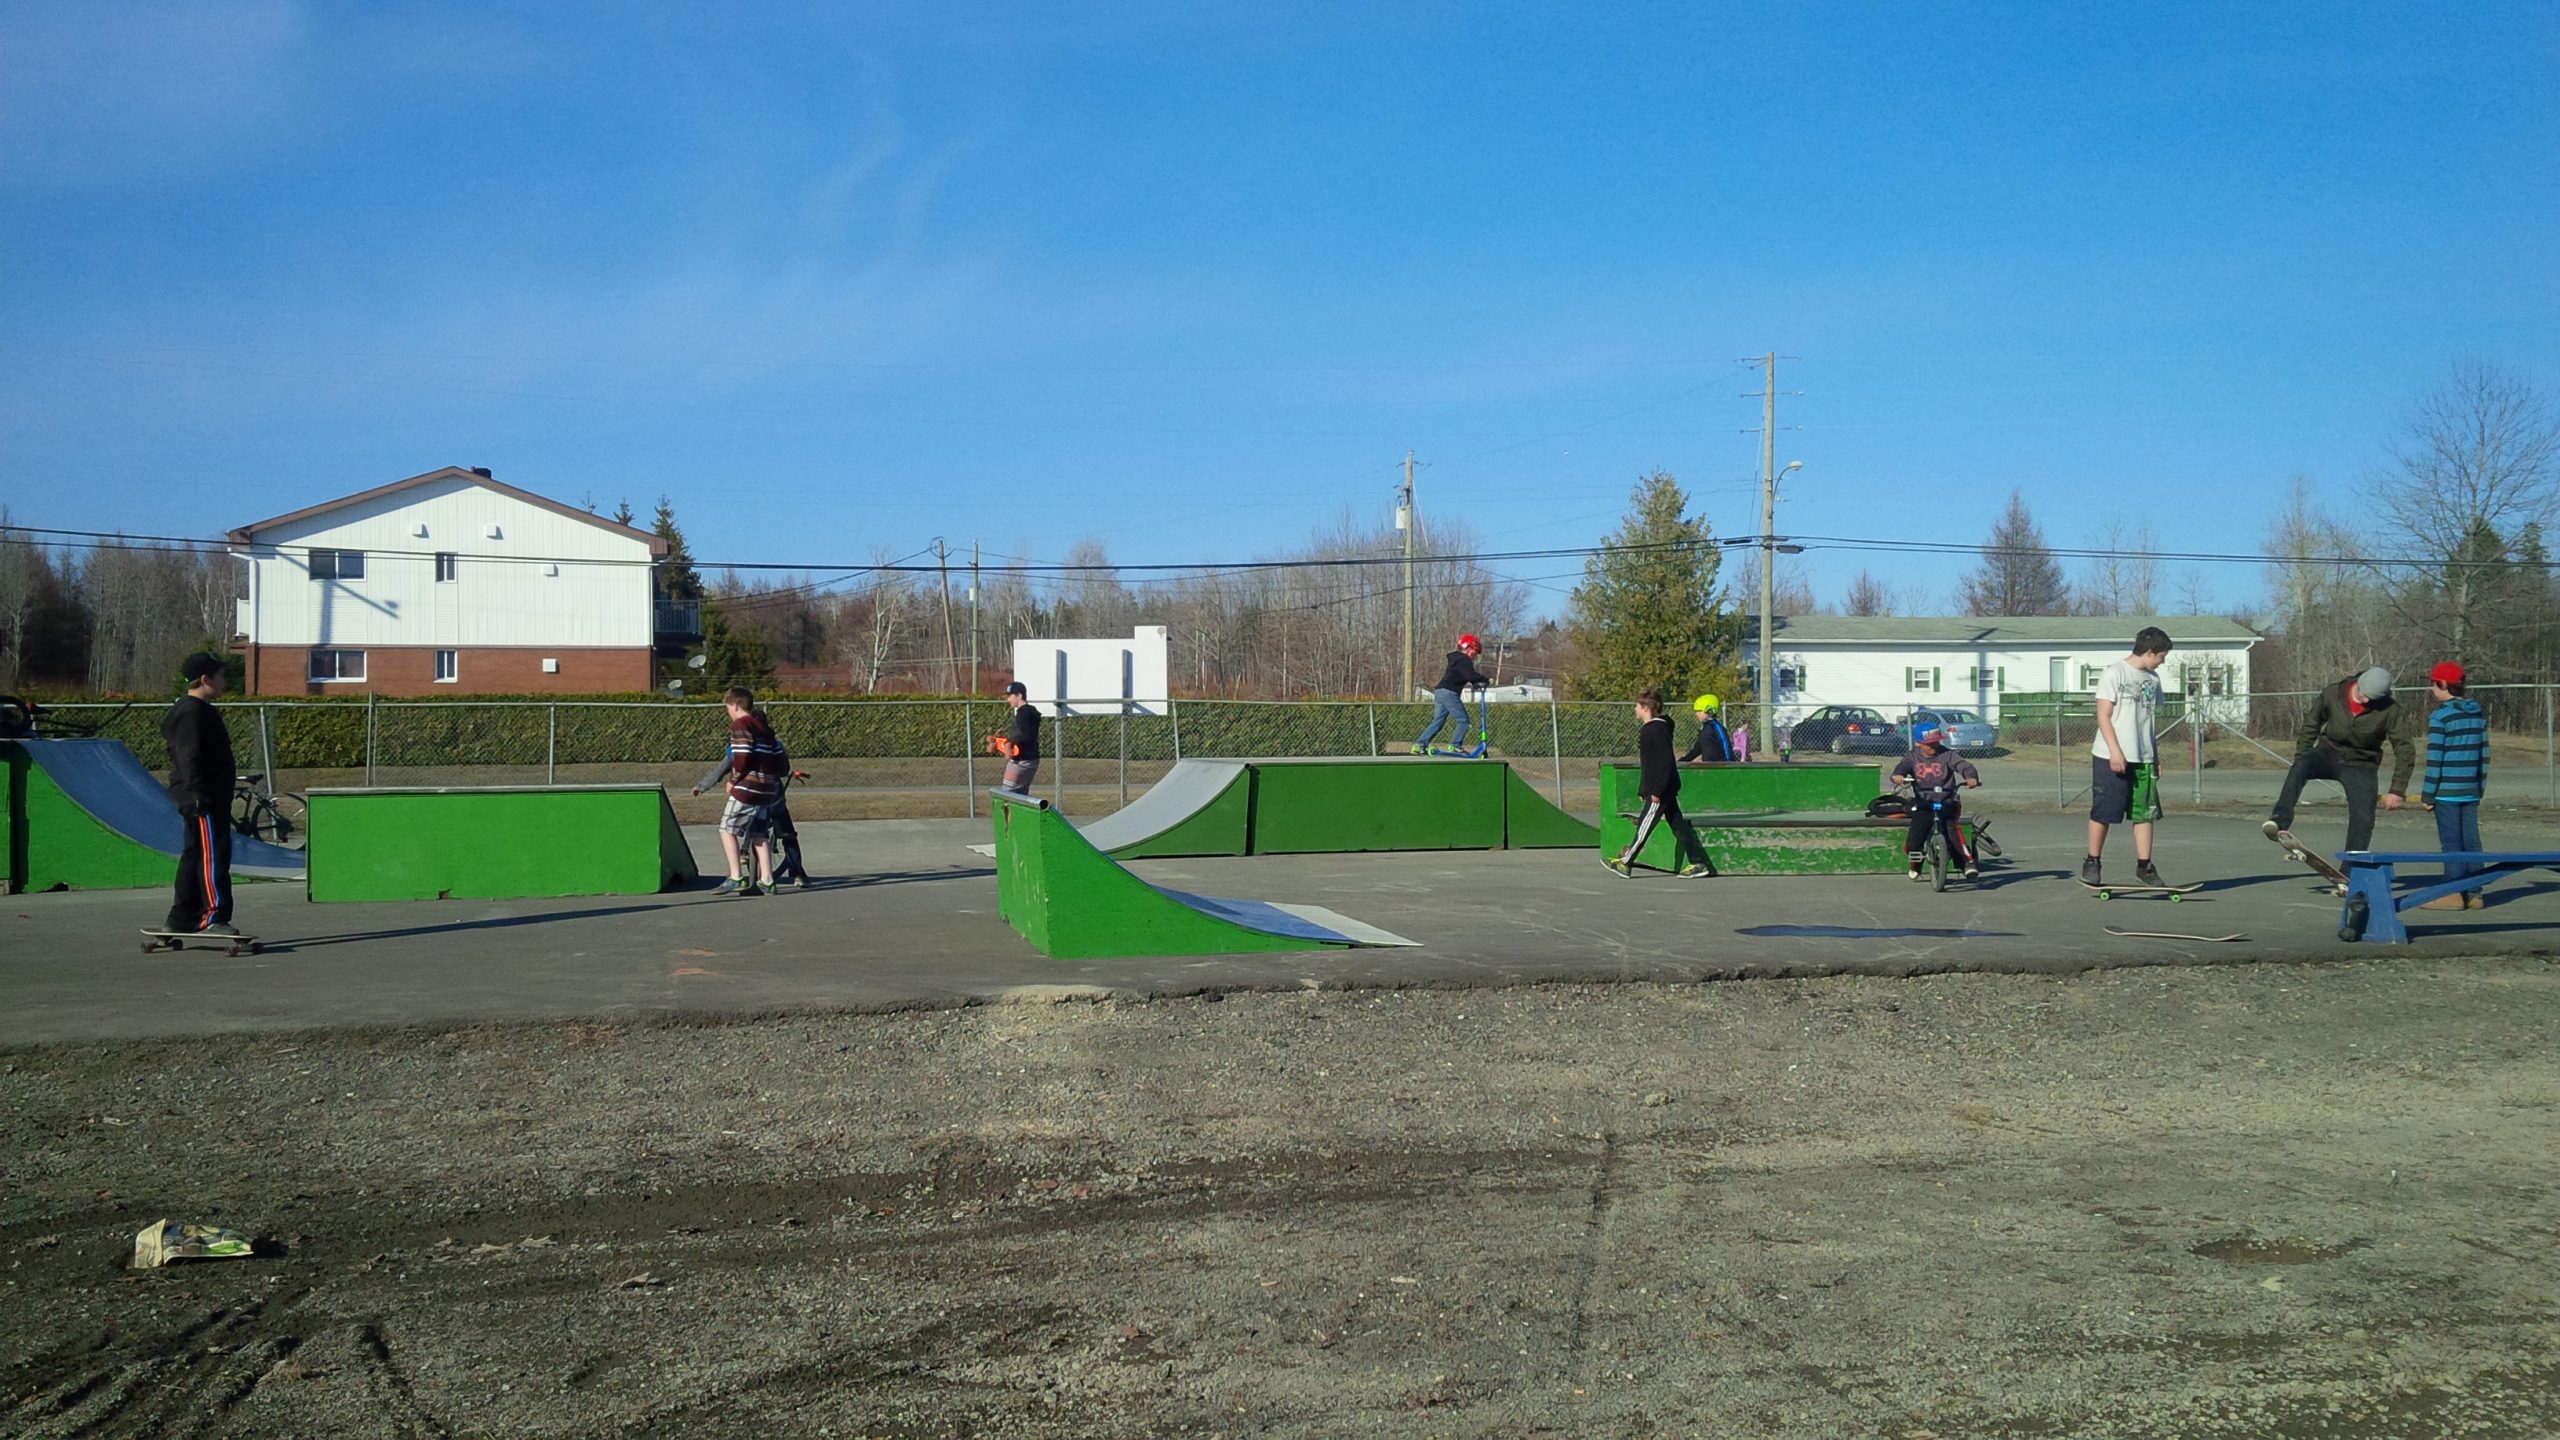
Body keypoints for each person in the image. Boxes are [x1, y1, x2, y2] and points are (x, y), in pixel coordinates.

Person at [2264, 665, 2416, 856]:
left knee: (2364, 816)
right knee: (2301, 765)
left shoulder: (2390, 710)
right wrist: (2302, 755)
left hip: (2362, 762)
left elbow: (2405, 748)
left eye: (2373, 699)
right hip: (2329, 751)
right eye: (2364, 694)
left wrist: (2397, 790)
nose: (2367, 700)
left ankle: (2351, 868)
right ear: (2358, 684)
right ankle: (2280, 819)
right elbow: (2311, 724)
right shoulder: (2333, 694)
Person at [161, 652, 242, 937]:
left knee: (195, 855)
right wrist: (198, 794)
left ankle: (181, 918)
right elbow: (188, 755)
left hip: (207, 796)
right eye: (221, 676)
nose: (225, 682)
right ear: (205, 679)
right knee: (212, 856)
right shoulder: (191, 711)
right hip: (201, 798)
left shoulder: (198, 709)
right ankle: (213, 915)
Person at [2086, 626, 2172, 889]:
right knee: (2105, 811)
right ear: (2149, 651)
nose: (2163, 661)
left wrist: (2154, 756)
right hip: (2111, 756)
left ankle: (2144, 865)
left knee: (2144, 813)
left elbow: (2149, 721)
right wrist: (2115, 751)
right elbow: (2103, 716)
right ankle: (2092, 861)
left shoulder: (2153, 679)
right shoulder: (2115, 673)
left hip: (2143, 756)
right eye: (2162, 655)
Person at [695, 710, 810, 889]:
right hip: (772, 794)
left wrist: (702, 786)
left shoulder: (740, 746)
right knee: (787, 833)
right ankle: (796, 873)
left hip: (750, 794)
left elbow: (722, 769)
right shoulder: (774, 744)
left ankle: (743, 856)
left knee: (741, 824)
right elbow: (784, 768)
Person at [1606, 690, 1712, 878]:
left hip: (1661, 789)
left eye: (1637, 706)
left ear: (1646, 708)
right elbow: (1649, 764)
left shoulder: (1654, 730)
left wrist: (1656, 790)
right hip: (1662, 787)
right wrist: (1643, 788)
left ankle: (1626, 862)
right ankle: (1698, 863)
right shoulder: (1655, 728)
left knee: (1645, 825)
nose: (1635, 709)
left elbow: (1665, 762)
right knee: (1678, 826)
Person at [2418, 661, 2488, 911]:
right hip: (2469, 789)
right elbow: (2484, 754)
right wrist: (2479, 787)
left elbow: (2435, 758)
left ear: (2444, 684)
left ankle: (2452, 893)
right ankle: (2475, 893)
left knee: (2451, 843)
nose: (2431, 689)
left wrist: (2428, 794)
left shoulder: (2440, 716)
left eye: (2433, 684)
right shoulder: (2476, 713)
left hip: (2447, 792)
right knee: (2471, 841)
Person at [705, 686, 788, 896]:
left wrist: (734, 780)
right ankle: (767, 879)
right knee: (758, 832)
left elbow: (741, 756)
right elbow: (781, 762)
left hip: (748, 787)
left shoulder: (740, 725)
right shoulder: (765, 729)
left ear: (734, 704)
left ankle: (736, 876)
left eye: (728, 708)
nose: (728, 713)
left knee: (726, 828)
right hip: (767, 789)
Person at [1892, 724, 1983, 881]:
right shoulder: (1912, 757)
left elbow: (1964, 765)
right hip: (1923, 801)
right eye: (1930, 743)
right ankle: (1915, 864)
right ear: (1919, 743)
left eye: (1937, 742)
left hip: (1947, 799)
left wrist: (1970, 777)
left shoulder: (1948, 755)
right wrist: (1898, 776)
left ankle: (1966, 863)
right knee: (1916, 837)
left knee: (1952, 830)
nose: (1934, 746)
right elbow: (1901, 767)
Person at [1411, 634, 1490, 754]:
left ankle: (1419, 745)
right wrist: (1485, 680)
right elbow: (1470, 676)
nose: (1475, 655)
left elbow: (1463, 676)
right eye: (1474, 651)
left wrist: (1476, 683)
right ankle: (1455, 745)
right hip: (1449, 693)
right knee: (1463, 721)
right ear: (1467, 648)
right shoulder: (1464, 660)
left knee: (1438, 721)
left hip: (1440, 691)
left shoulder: (1457, 660)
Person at [987, 680, 1043, 794]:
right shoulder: (1029, 712)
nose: (1008, 699)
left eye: (1010, 696)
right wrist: (999, 744)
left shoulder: (1023, 712)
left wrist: (1009, 743)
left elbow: (1024, 734)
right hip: (1030, 759)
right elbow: (1023, 736)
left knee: (1009, 795)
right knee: (1020, 795)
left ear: (1019, 695)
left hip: (1022, 760)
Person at [1680, 693, 1732, 763]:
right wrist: (1683, 761)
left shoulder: (1710, 730)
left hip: (1718, 770)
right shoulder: (1713, 727)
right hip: (1721, 767)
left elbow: (1709, 756)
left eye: (1699, 711)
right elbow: (1697, 749)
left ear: (1709, 711)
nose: (1696, 713)